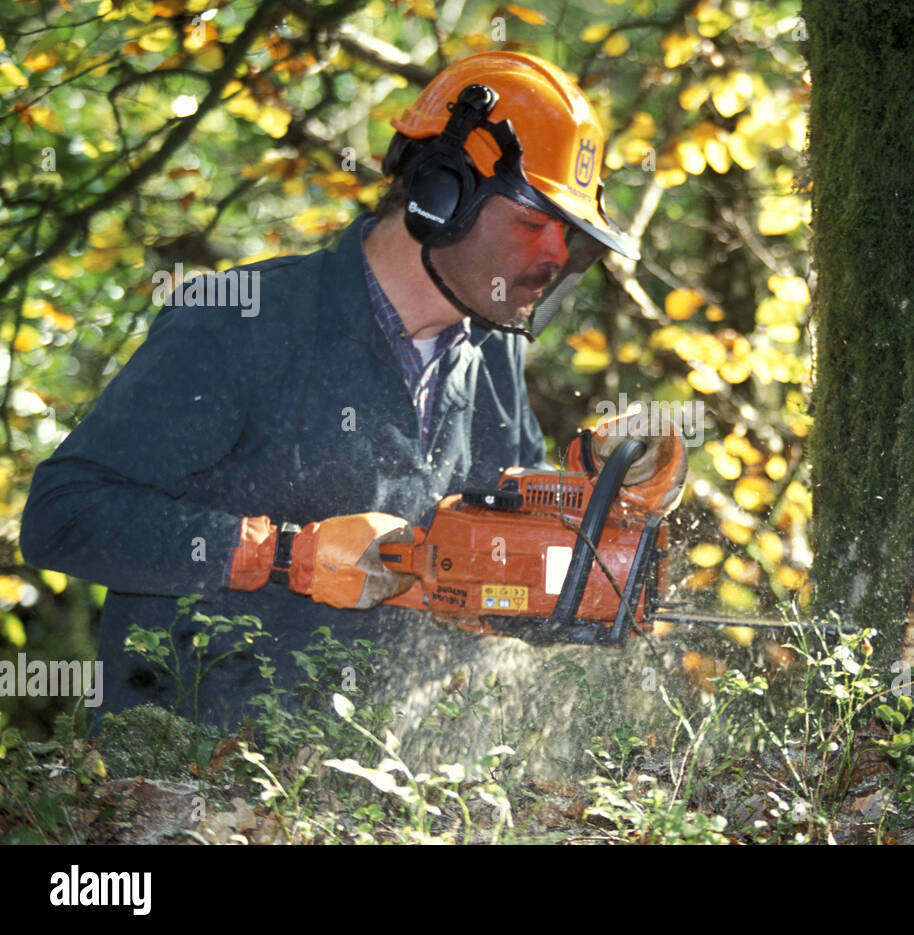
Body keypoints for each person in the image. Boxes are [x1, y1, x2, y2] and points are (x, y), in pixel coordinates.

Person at [19, 51, 681, 730]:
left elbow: (503, 537)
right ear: (443, 193)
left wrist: (596, 497)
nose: (554, 255)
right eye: (531, 222)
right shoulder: (239, 320)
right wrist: (279, 555)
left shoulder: (490, 355)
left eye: (567, 235)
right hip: (184, 774)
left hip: (370, 786)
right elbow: (62, 517)